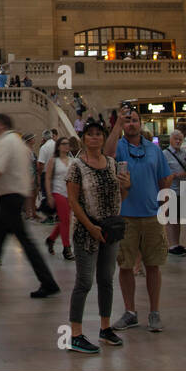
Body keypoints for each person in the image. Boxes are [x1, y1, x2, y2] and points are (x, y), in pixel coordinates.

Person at [0, 113, 59, 298]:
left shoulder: (5, 142)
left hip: (8, 198)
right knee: (0, 239)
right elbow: (26, 174)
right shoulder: (18, 143)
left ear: (2, 125)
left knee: (23, 242)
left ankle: (48, 282)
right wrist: (28, 204)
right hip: (15, 197)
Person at [66, 120, 130, 353]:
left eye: (98, 134)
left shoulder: (112, 164)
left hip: (110, 229)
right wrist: (91, 227)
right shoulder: (76, 166)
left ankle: (105, 327)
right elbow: (73, 200)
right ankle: (75, 333)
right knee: (84, 281)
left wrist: (126, 186)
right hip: (86, 230)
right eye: (90, 135)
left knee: (106, 279)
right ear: (84, 139)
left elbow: (120, 195)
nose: (94, 138)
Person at [108, 107, 173, 329]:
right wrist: (116, 126)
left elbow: (164, 178)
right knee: (125, 266)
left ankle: (154, 312)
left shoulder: (154, 151)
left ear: (141, 123)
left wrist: (162, 204)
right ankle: (129, 311)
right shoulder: (119, 147)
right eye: (127, 121)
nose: (131, 124)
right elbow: (107, 156)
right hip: (126, 215)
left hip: (151, 214)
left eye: (135, 120)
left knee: (153, 265)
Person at [161, 129, 186, 256]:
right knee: (171, 218)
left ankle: (177, 243)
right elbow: (162, 172)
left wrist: (185, 175)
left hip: (183, 189)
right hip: (171, 190)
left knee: (178, 218)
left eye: (180, 139)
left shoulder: (184, 153)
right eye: (176, 139)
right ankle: (171, 245)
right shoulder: (164, 154)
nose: (178, 141)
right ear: (170, 140)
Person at [45, 137, 75, 259]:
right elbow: (47, 178)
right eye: (63, 144)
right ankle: (66, 248)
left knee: (64, 220)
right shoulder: (54, 160)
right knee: (66, 220)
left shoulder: (73, 161)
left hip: (70, 194)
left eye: (67, 144)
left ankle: (51, 239)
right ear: (58, 146)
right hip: (58, 192)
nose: (66, 146)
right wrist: (49, 194)